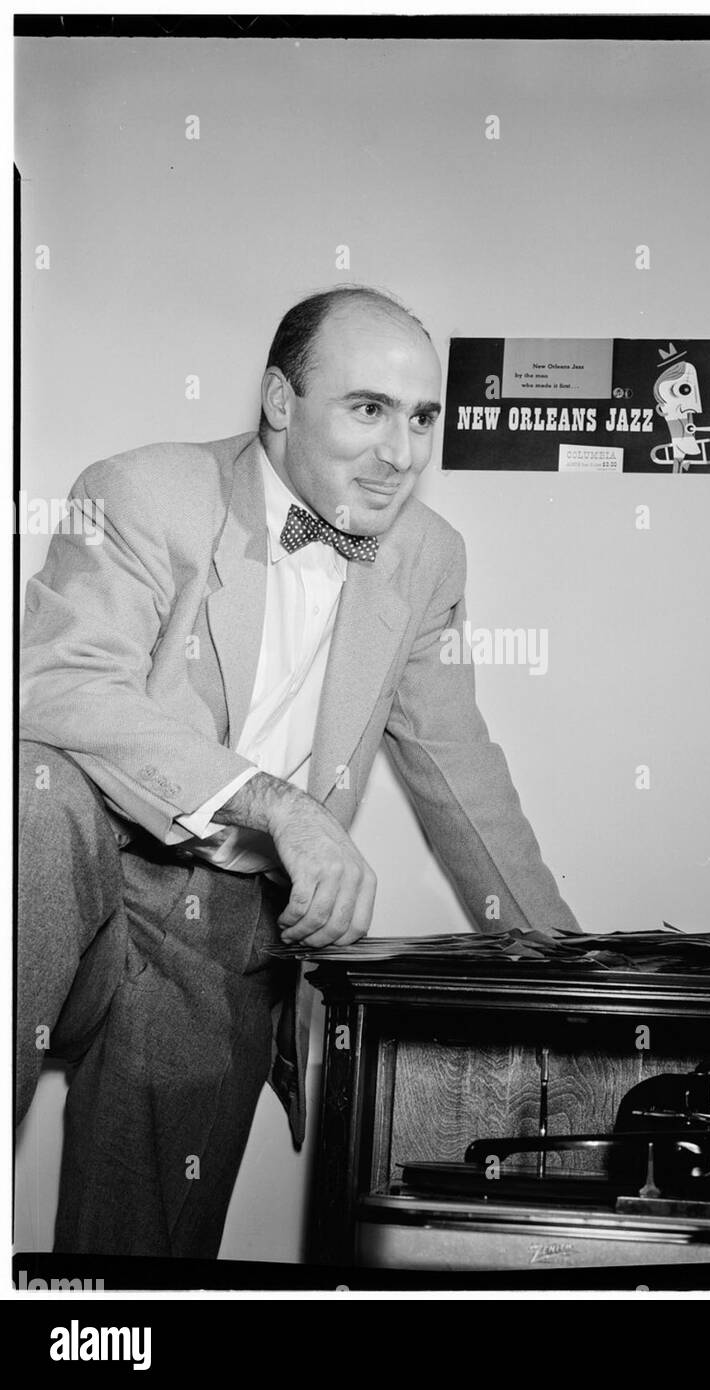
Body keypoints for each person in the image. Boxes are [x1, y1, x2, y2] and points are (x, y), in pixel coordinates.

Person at [18, 285, 580, 1259]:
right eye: (367, 408)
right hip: (84, 860)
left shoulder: (426, 556)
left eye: (420, 418)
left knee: (142, 1250)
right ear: (280, 400)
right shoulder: (147, 490)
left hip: (228, 921)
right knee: (32, 789)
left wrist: (573, 972)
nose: (400, 453)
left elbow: (459, 767)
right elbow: (57, 683)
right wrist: (272, 801)